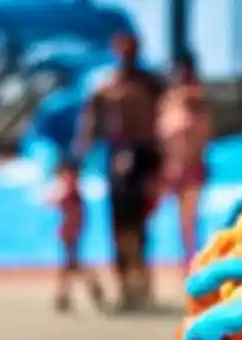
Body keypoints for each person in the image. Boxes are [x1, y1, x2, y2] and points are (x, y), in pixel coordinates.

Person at [76, 32, 165, 312]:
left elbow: (166, 120)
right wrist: (79, 158)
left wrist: (166, 163)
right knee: (119, 226)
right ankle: (126, 286)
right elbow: (90, 122)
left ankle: (142, 285)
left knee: (141, 227)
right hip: (118, 158)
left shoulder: (151, 85)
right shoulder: (107, 86)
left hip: (146, 157)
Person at [157, 52, 211, 270]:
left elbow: (201, 133)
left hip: (190, 166)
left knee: (190, 220)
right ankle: (185, 262)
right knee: (179, 222)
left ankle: (192, 262)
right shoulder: (170, 100)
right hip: (173, 165)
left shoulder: (195, 98)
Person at [48, 158, 106, 314]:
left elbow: (56, 200)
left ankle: (67, 296)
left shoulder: (69, 185)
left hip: (71, 231)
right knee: (70, 264)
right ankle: (65, 297)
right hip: (72, 230)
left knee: (71, 264)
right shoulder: (75, 188)